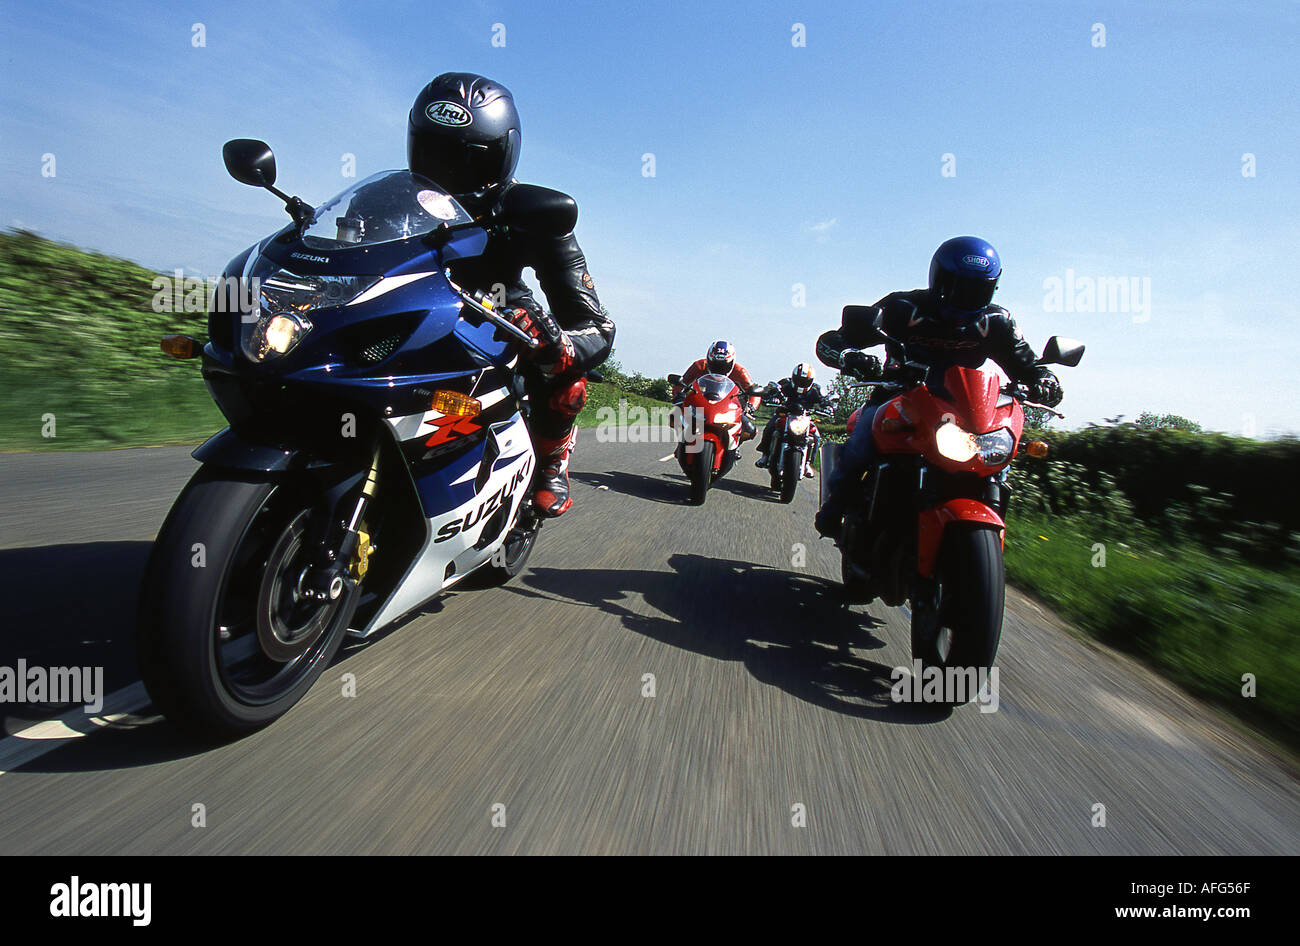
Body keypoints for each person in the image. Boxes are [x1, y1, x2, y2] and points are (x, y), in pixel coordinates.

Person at [407, 72, 614, 517]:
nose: (446, 171)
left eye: (466, 160)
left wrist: (559, 344)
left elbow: (597, 325)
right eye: (433, 152)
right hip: (410, 303)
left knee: (565, 379)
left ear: (502, 157)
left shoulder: (532, 213)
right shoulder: (393, 201)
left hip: (497, 313)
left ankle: (550, 464)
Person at [813, 236, 1063, 538]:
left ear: (992, 286)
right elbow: (832, 341)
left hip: (962, 412)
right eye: (957, 286)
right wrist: (850, 356)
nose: (966, 296)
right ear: (938, 278)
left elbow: (1027, 363)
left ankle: (980, 535)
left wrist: (1045, 381)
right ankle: (835, 509)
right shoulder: (903, 308)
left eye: (978, 288)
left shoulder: (997, 322)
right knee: (862, 442)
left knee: (993, 462)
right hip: (899, 398)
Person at [673, 340, 759, 442]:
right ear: (709, 360)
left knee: (750, 430)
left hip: (727, 406)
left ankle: (734, 446)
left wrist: (751, 407)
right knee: (674, 417)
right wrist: (678, 396)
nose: (719, 369)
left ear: (732, 362)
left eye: (723, 365)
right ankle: (682, 443)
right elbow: (682, 382)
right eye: (715, 364)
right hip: (699, 404)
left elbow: (753, 391)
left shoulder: (740, 372)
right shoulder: (699, 366)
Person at [755, 363, 829, 477]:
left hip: (805, 418)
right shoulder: (785, 384)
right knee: (770, 427)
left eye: (805, 381)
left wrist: (828, 407)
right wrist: (772, 397)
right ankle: (765, 456)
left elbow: (825, 401)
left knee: (816, 437)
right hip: (784, 414)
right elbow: (771, 392)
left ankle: (807, 463)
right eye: (799, 380)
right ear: (794, 377)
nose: (801, 383)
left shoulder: (816, 389)